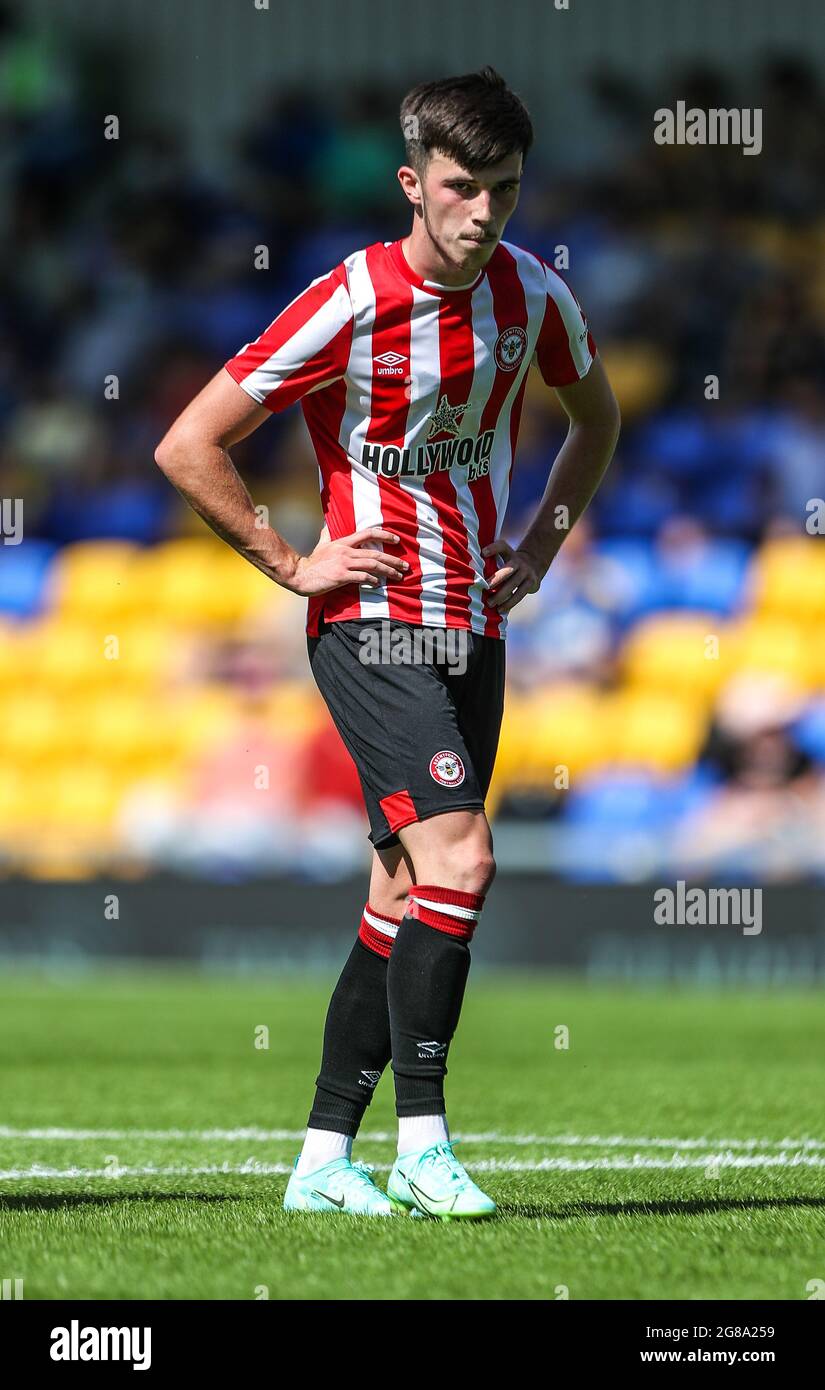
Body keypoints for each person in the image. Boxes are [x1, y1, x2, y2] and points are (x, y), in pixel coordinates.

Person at [155, 67, 620, 1220]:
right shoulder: (347, 302)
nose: (483, 213)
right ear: (413, 184)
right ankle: (425, 1141)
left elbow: (597, 421)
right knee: (464, 858)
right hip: (371, 623)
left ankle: (321, 1160)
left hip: (476, 618)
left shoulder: (536, 297)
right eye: (462, 188)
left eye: (505, 191)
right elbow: (189, 443)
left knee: (406, 884)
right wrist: (289, 560)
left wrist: (543, 548)